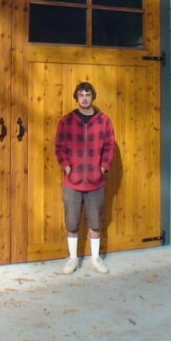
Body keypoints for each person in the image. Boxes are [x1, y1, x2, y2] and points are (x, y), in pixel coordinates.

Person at [55, 82, 116, 275]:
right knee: (72, 222)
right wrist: (67, 167)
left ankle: (95, 259)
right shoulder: (67, 121)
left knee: (95, 222)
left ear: (93, 97)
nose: (84, 98)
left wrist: (103, 168)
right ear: (76, 97)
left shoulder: (104, 121)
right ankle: (73, 259)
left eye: (88, 94)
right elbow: (59, 146)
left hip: (95, 182)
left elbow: (110, 147)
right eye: (80, 94)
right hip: (72, 182)